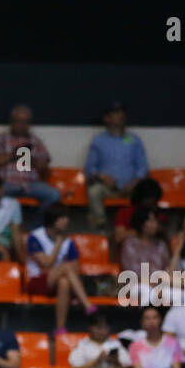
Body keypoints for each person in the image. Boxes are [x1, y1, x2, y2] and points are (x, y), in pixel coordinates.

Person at [0, 104, 59, 223]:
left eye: (25, 122)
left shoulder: (35, 141)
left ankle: (36, 228)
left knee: (54, 195)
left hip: (31, 184)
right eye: (18, 121)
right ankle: (1, 227)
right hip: (6, 183)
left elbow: (45, 167)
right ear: (11, 122)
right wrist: (13, 155)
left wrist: (30, 158)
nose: (21, 125)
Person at [84, 102, 149, 230]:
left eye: (122, 112)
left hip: (132, 189)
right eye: (116, 113)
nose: (121, 115)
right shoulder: (99, 141)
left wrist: (134, 183)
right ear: (107, 118)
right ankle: (100, 226)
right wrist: (102, 177)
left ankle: (141, 229)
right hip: (108, 188)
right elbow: (89, 169)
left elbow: (143, 167)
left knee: (148, 191)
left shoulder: (134, 140)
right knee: (94, 191)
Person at [25, 202, 87, 332]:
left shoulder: (68, 242)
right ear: (53, 220)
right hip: (37, 281)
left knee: (64, 282)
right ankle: (87, 305)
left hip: (56, 282)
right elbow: (46, 264)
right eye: (63, 218)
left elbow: (76, 269)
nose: (67, 221)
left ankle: (60, 328)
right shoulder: (35, 237)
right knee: (65, 268)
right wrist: (58, 244)